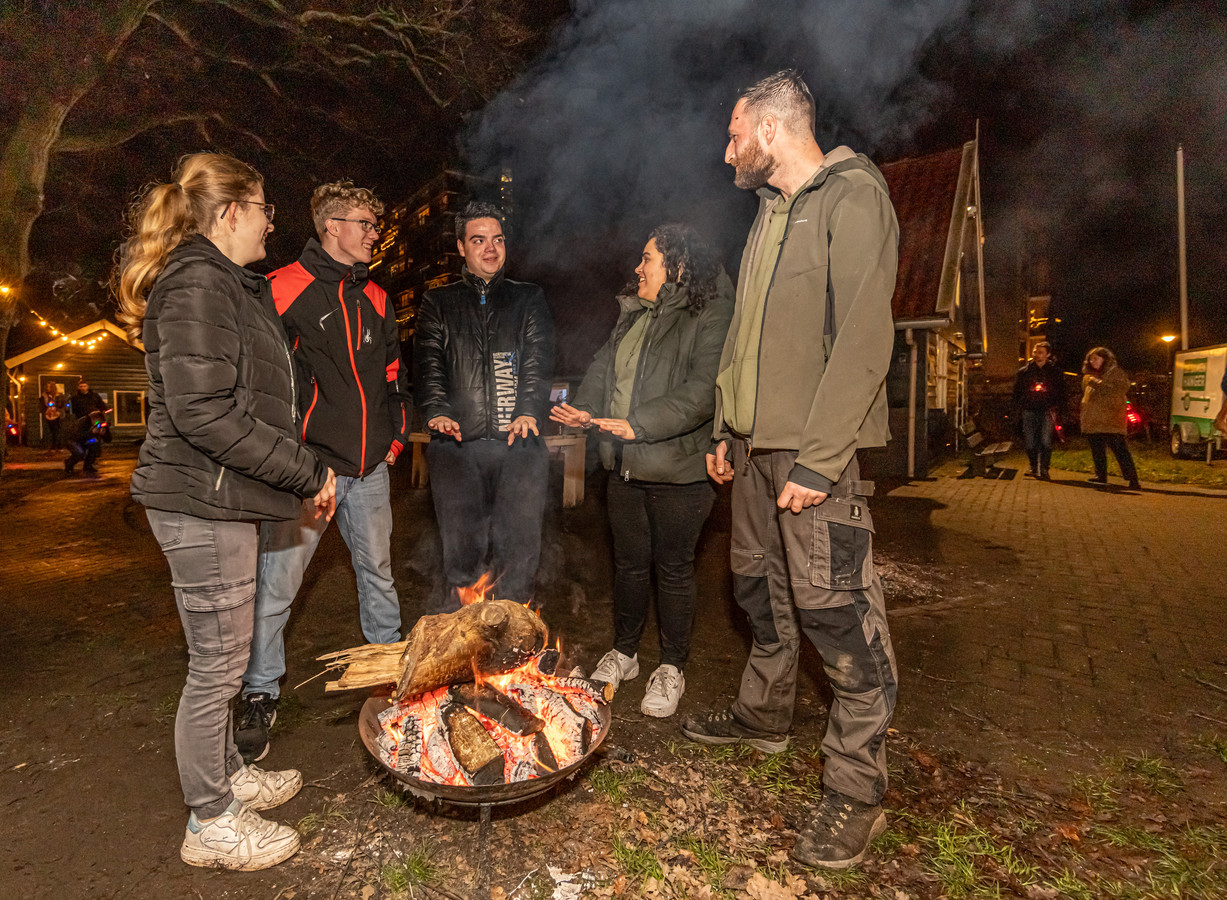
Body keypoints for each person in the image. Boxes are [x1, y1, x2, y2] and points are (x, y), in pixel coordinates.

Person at [680, 71, 899, 870]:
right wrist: (723, 426)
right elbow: (745, 337)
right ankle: (763, 717)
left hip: (813, 457)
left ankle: (854, 791)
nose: (727, 148)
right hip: (751, 450)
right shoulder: (768, 213)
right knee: (756, 592)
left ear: (771, 130)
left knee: (837, 617)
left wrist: (819, 455)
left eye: (735, 132)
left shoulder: (851, 196)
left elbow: (865, 341)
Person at [117, 151, 337, 871]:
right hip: (200, 503)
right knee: (216, 666)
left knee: (225, 656)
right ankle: (209, 821)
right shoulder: (197, 283)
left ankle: (226, 780)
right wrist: (305, 474)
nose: (272, 224)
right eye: (266, 209)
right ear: (232, 211)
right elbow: (203, 414)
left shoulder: (226, 285)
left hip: (222, 500)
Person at [235, 181, 411, 763]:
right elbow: (261, 383)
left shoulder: (379, 298)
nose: (373, 233)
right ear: (331, 226)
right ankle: (259, 694)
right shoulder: (280, 287)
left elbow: (392, 373)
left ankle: (390, 685)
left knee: (379, 577)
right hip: (307, 474)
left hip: (369, 471)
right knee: (277, 588)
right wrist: (290, 457)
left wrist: (391, 436)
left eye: (375, 224)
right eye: (364, 222)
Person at [550, 224, 735, 718]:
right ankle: (625, 652)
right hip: (625, 467)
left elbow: (702, 392)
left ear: (676, 264)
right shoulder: (633, 315)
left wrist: (637, 425)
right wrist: (583, 409)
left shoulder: (709, 311)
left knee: (673, 570)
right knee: (629, 565)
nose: (638, 268)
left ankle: (672, 665)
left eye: (647, 259)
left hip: (679, 471)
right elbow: (601, 369)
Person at [414, 201, 555, 609]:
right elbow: (428, 363)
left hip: (520, 442)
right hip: (457, 444)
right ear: (461, 247)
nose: (490, 249)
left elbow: (538, 359)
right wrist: (437, 410)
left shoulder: (528, 298)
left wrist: (529, 408)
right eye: (478, 240)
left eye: (497, 239)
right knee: (461, 550)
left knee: (520, 548)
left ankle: (514, 634)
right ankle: (465, 639)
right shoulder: (438, 302)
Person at [1080, 346, 1140, 490]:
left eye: (1096, 358)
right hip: (1094, 422)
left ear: (1104, 359)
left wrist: (1094, 382)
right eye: (1090, 359)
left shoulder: (1115, 373)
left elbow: (1117, 389)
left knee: (1121, 451)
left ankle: (1132, 479)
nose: (1092, 361)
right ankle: (1100, 476)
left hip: (1111, 421)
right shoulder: (1089, 377)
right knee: (1097, 451)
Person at [1012, 341, 1066, 479]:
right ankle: (1033, 466)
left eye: (1041, 352)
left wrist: (1056, 406)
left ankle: (1044, 468)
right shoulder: (1024, 372)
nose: (1037, 355)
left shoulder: (1055, 372)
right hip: (1029, 410)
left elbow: (1062, 392)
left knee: (1045, 440)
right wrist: (1020, 406)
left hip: (1047, 410)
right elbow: (1017, 392)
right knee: (1030, 441)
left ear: (1048, 354)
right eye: (1035, 352)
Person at [63, 407, 110, 474]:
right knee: (80, 453)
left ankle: (88, 466)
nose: (97, 425)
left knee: (95, 444)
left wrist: (104, 434)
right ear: (92, 419)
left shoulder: (101, 424)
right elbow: (76, 436)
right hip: (73, 440)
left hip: (85, 440)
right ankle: (69, 464)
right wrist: (91, 433)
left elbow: (108, 439)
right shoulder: (82, 422)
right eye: (96, 422)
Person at [40, 382, 64, 448]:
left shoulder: (58, 395)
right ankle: (52, 444)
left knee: (57, 429)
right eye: (47, 387)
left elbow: (61, 405)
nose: (47, 388)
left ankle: (58, 445)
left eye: (49, 387)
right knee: (51, 429)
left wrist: (56, 408)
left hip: (57, 414)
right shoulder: (44, 396)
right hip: (49, 414)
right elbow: (42, 405)